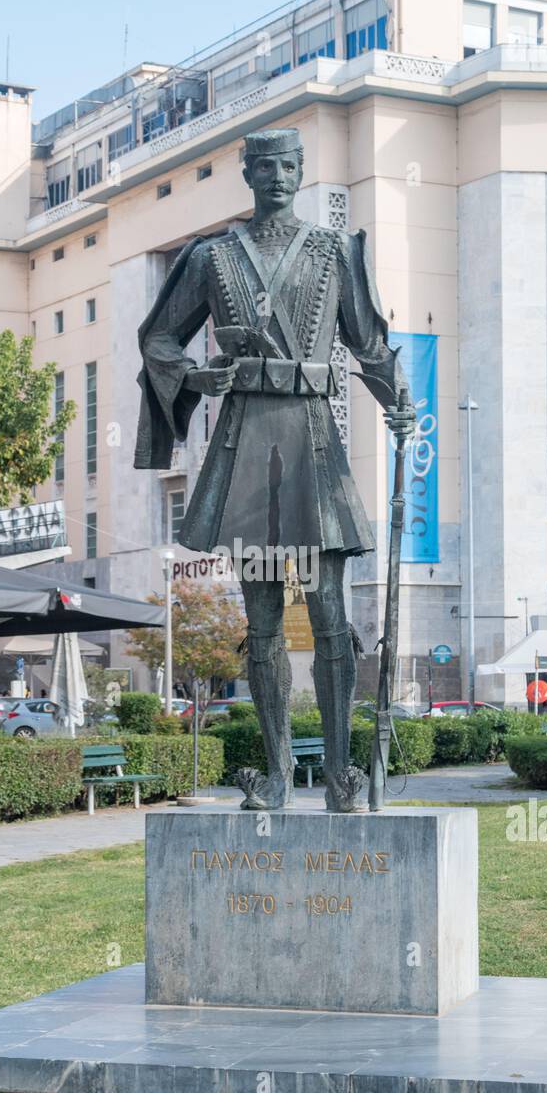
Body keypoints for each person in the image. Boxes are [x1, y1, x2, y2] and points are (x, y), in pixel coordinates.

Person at [135, 127, 409, 810]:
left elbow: (369, 343)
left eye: (289, 165)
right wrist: (199, 376)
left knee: (328, 610)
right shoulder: (211, 256)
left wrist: (400, 403)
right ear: (249, 173)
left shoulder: (332, 251)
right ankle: (280, 776)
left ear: (300, 170)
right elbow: (158, 337)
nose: (279, 176)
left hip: (313, 442)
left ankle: (343, 778)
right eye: (266, 166)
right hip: (248, 445)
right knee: (260, 620)